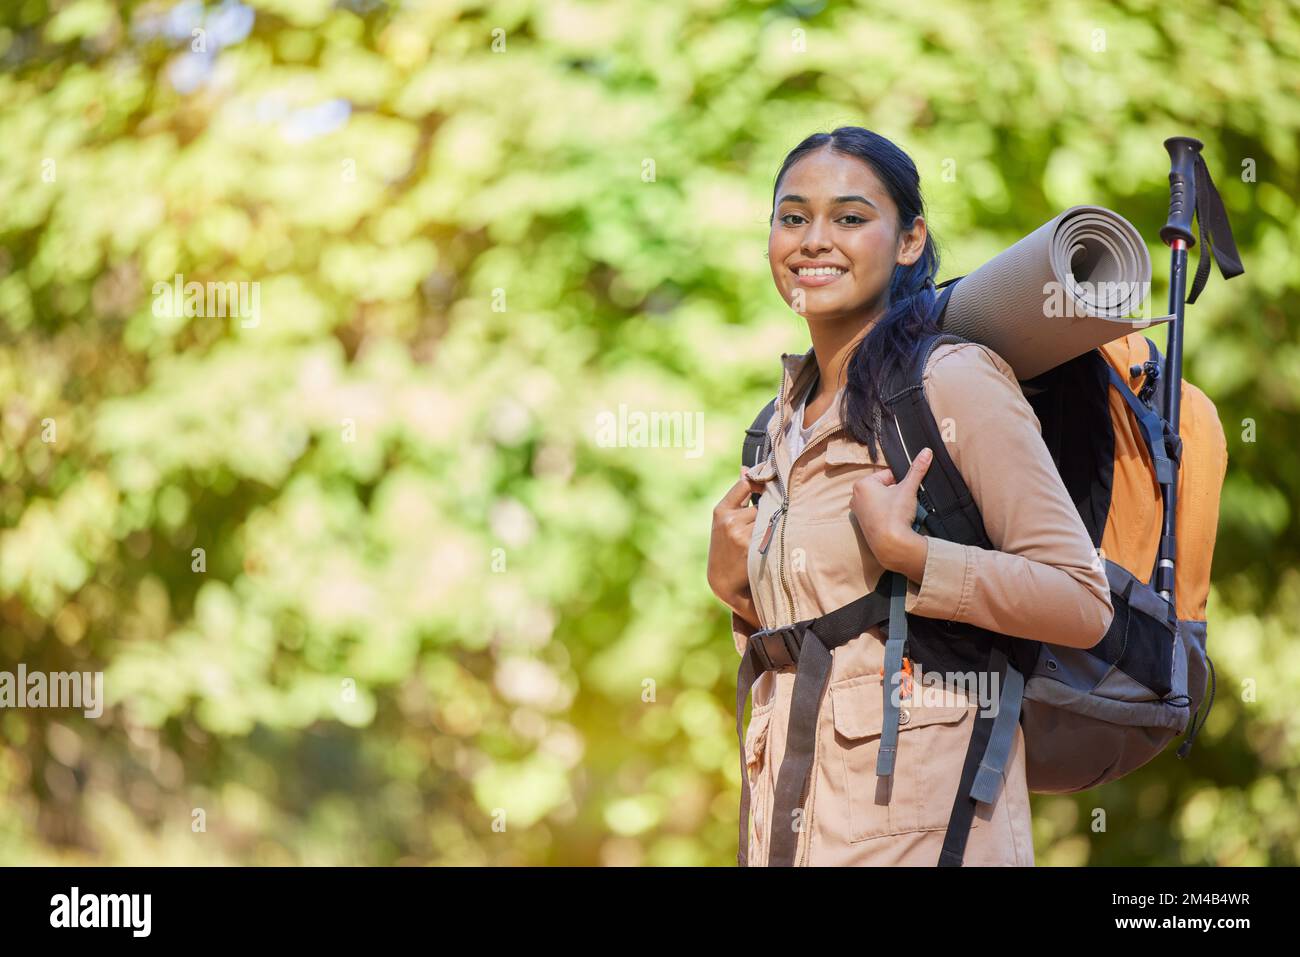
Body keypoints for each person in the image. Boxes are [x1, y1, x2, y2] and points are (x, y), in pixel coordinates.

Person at [706, 127, 1114, 866]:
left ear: (908, 239)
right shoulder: (778, 428)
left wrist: (915, 556)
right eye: (792, 217)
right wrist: (734, 589)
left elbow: (1081, 599)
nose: (813, 240)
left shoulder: (950, 380)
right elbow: (838, 637)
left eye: (851, 218)